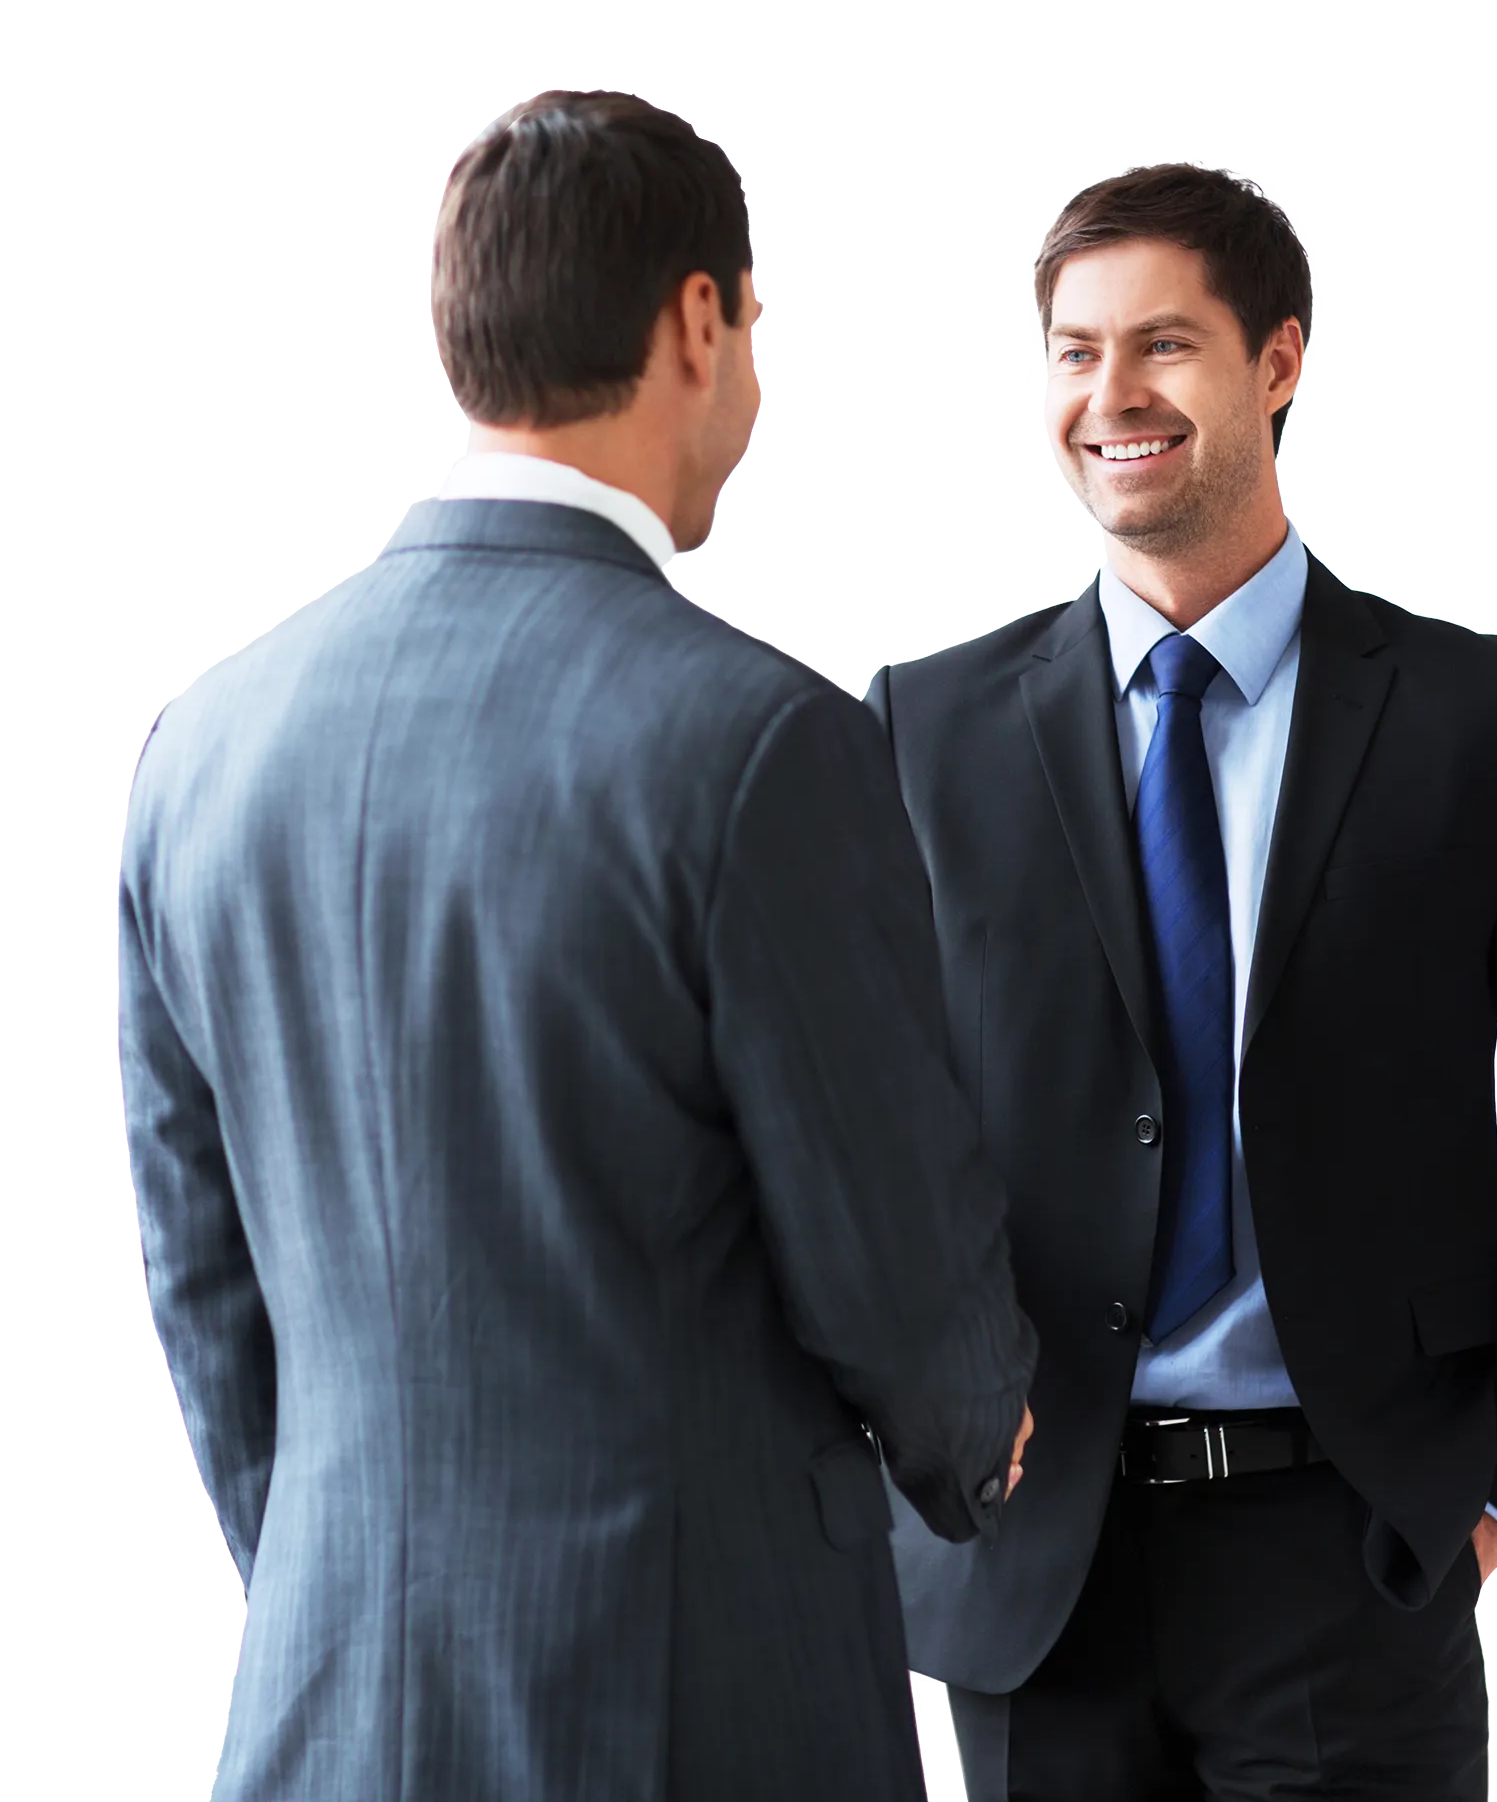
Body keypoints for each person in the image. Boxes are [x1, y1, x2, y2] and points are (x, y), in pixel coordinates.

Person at [114, 88, 1035, 1802]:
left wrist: (347, 1581)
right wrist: (986, 1436)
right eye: (754, 327)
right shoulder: (760, 747)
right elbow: (894, 1278)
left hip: (329, 1708)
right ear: (699, 321)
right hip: (692, 1715)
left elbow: (203, 1283)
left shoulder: (200, 743)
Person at [864, 160, 1497, 1800]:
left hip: (1357, 1555)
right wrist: (917, 1431)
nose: (1106, 394)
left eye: (1162, 346)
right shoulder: (926, 732)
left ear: (1280, 359)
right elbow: (857, 1150)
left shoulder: (1487, 720)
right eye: (1068, 349)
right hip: (1034, 1583)